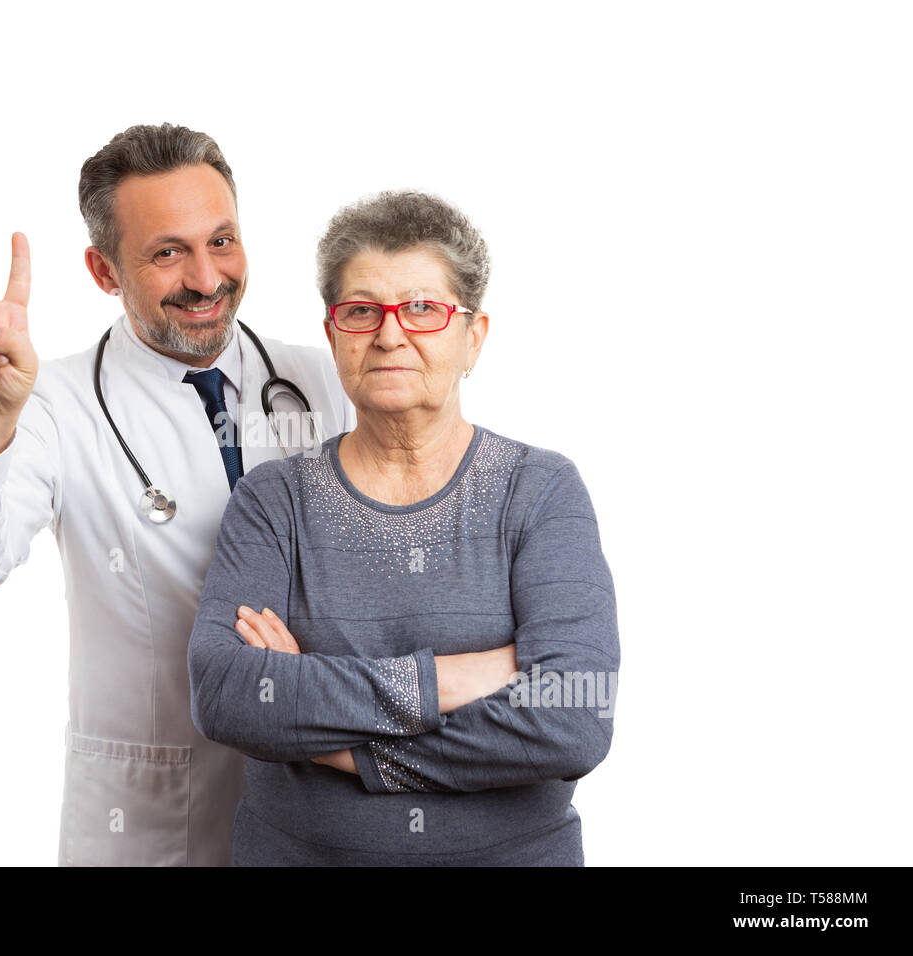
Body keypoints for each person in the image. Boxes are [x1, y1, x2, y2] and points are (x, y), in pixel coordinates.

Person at [0, 123, 355, 866]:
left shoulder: (327, 378)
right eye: (168, 252)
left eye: (223, 241)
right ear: (103, 271)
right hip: (152, 826)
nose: (207, 278)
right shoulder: (50, 404)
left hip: (326, 811)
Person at [187, 189, 619, 866]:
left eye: (422, 308)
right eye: (362, 312)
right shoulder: (273, 500)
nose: (390, 334)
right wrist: (448, 680)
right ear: (333, 336)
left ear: (472, 336)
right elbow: (228, 694)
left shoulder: (538, 490)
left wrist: (342, 745)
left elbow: (572, 721)